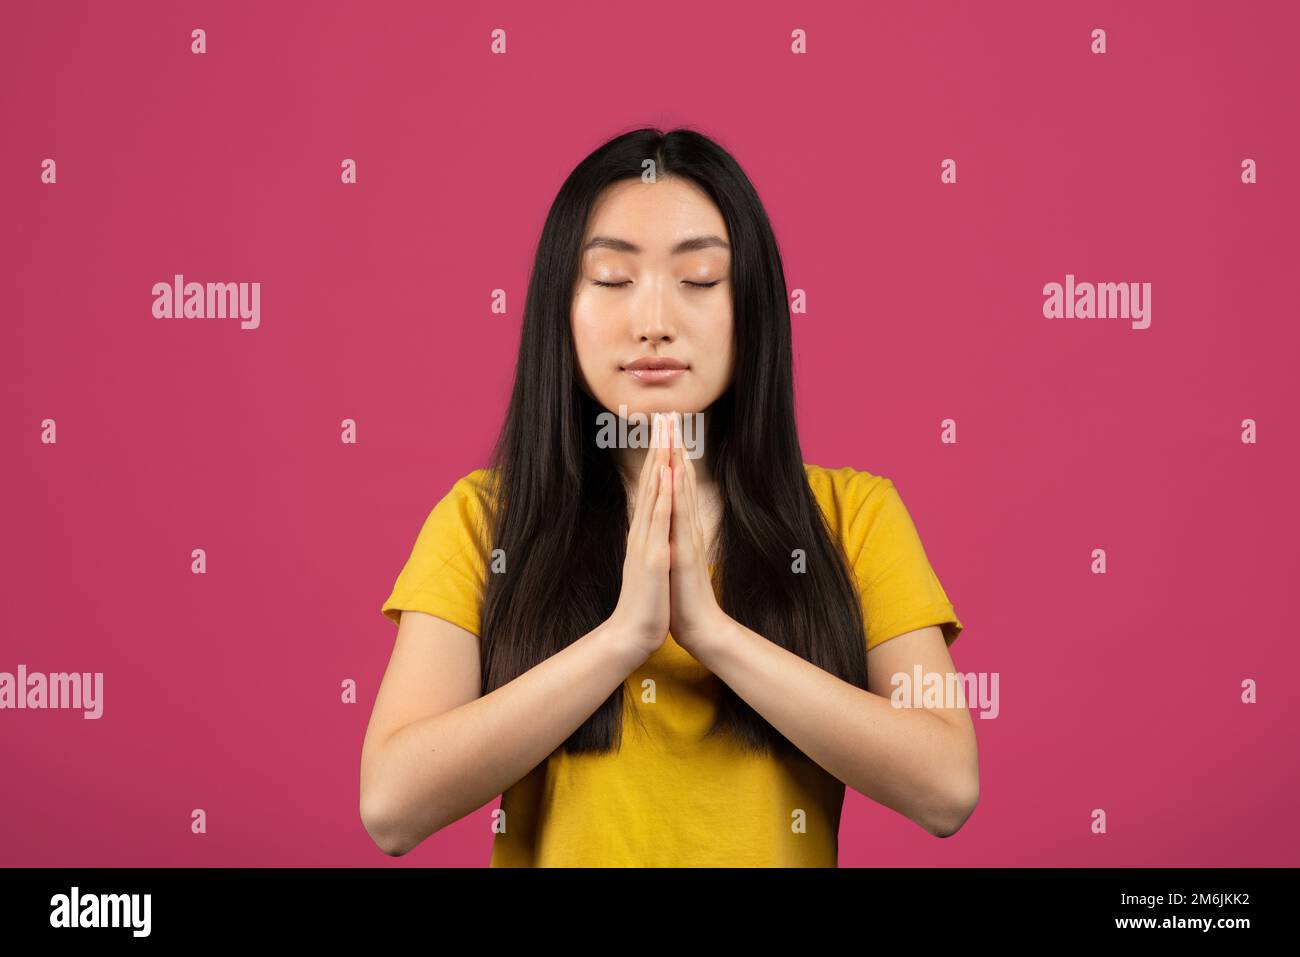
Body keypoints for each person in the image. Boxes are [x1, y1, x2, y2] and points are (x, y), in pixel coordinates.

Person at [360, 127, 977, 866]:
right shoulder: (483, 520)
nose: (653, 322)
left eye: (701, 279)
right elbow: (391, 806)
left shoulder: (855, 517)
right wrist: (623, 637)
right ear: (561, 310)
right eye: (613, 280)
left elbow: (947, 786)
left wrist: (712, 632)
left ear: (753, 312)